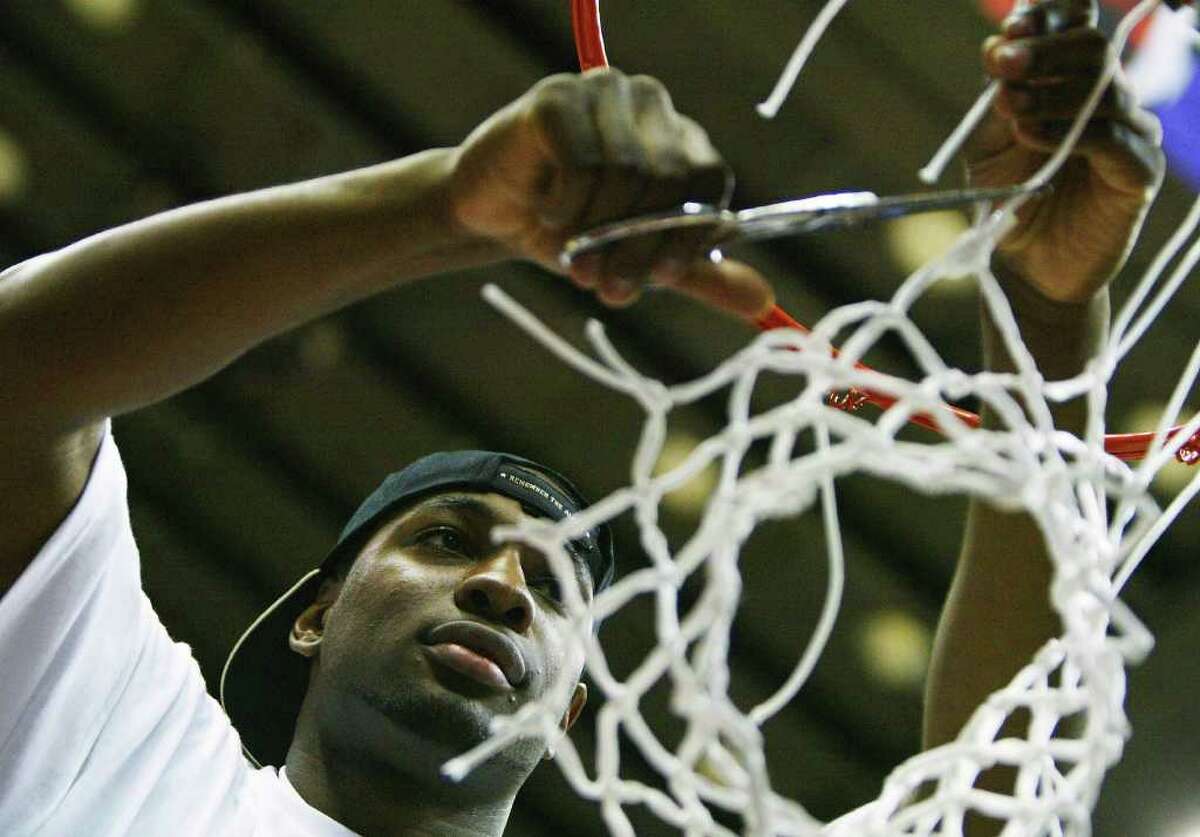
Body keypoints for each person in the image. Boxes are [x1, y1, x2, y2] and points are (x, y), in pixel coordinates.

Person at [0, 0, 1165, 834]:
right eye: (446, 537)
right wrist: (448, 204)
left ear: (574, 707)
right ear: (315, 616)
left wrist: (1046, 313)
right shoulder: (126, 750)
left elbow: (986, 810)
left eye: (554, 585)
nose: (505, 584)